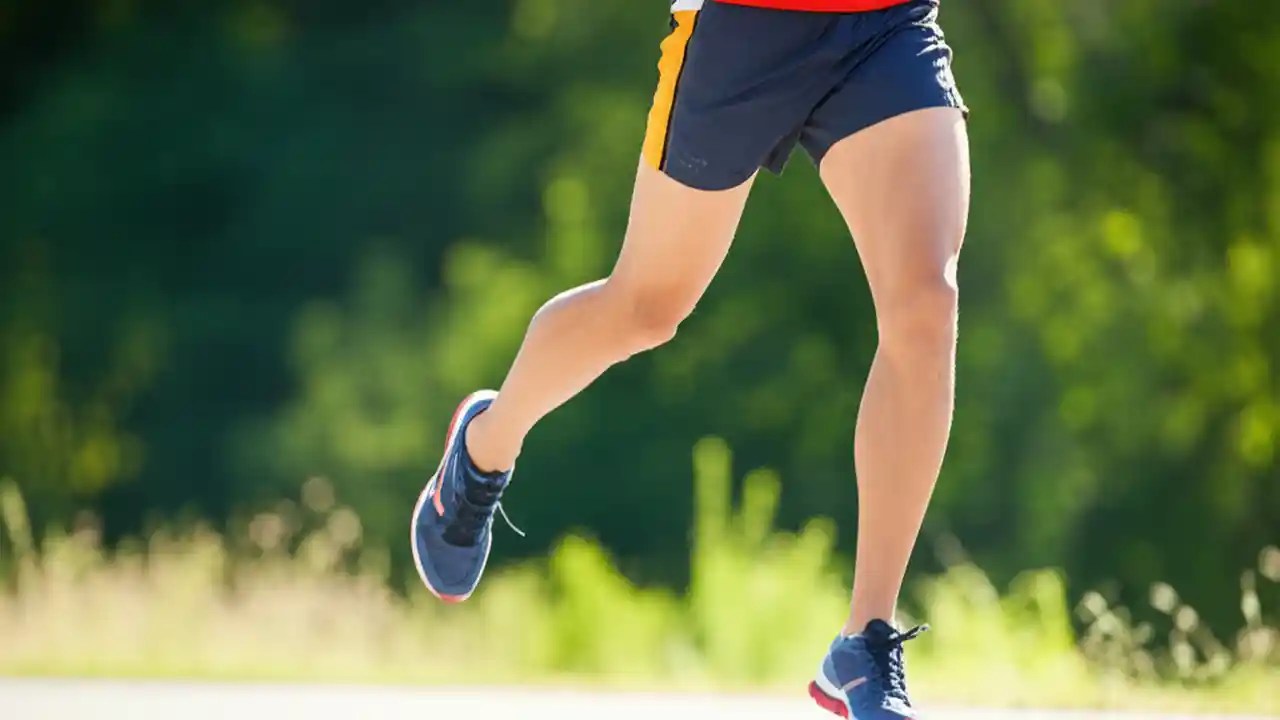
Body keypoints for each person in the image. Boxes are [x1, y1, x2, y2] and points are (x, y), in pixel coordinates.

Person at [412, 0, 968, 716]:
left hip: (886, 26)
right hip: (741, 32)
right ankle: (483, 447)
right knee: (646, 307)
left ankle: (864, 639)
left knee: (927, 303)